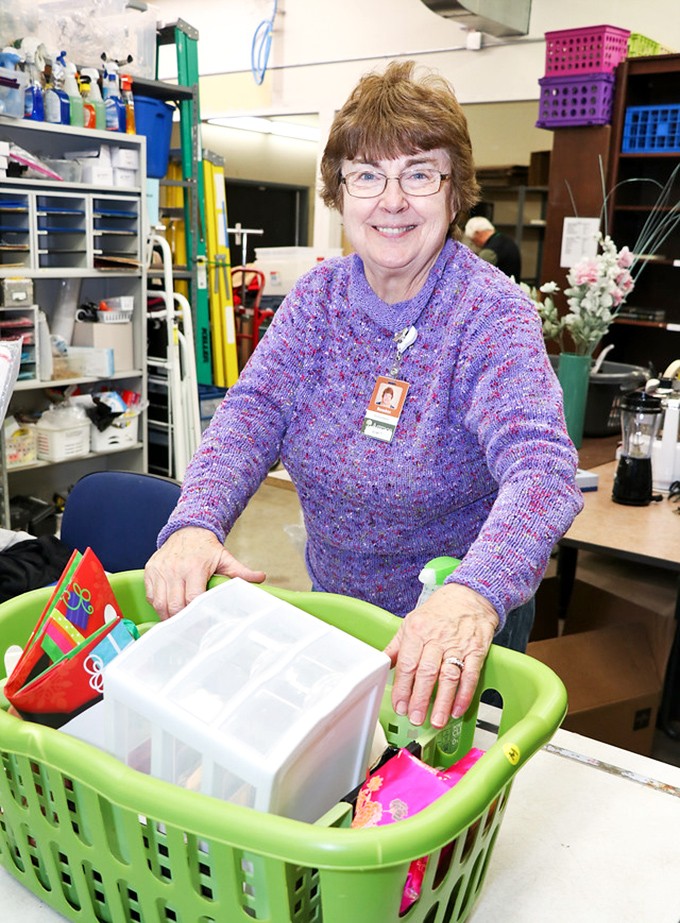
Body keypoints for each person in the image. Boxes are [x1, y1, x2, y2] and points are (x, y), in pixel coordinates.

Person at [144, 60, 582, 731]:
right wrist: (197, 520)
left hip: (458, 633)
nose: (392, 200)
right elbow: (251, 415)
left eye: (419, 173)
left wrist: (473, 592)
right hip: (337, 615)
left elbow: (543, 473)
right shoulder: (318, 301)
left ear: (455, 190)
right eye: (368, 175)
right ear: (340, 191)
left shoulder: (489, 315)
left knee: (430, 802)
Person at [464, 215, 522, 280]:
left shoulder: (489, 252)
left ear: (478, 233)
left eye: (473, 241)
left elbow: (477, 275)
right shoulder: (506, 240)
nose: (475, 245)